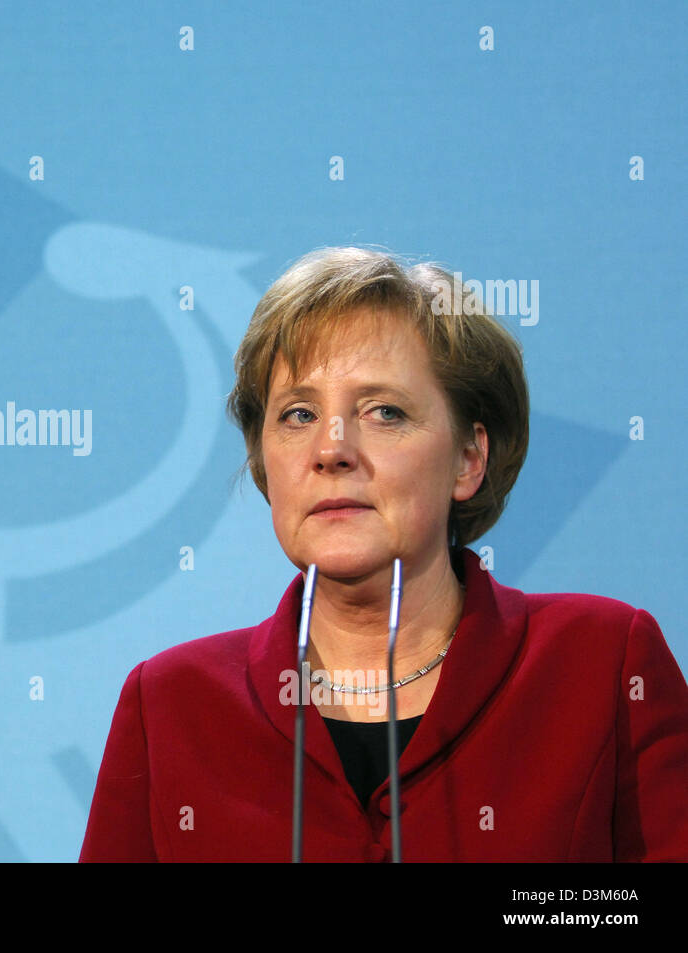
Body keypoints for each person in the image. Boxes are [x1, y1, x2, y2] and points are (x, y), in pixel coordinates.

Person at [78, 246, 688, 862]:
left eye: (383, 412)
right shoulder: (171, 704)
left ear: (468, 459)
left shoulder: (602, 663)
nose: (331, 450)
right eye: (298, 414)